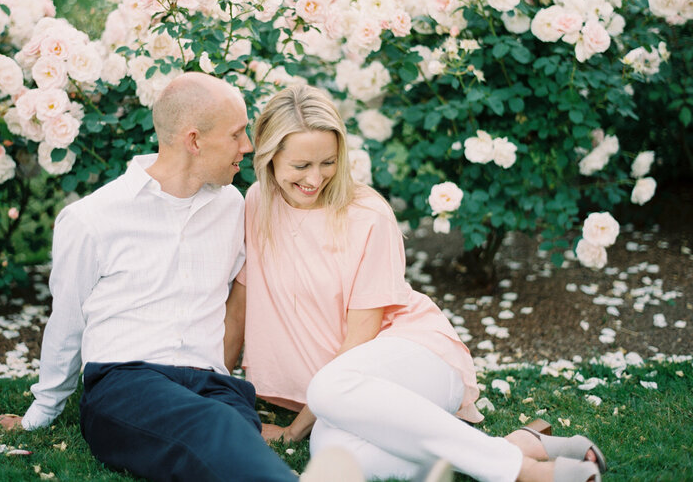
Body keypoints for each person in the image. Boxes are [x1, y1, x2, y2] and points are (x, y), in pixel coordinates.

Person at [236, 83, 606, 482]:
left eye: (328, 162)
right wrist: (212, 392)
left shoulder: (367, 214)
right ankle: (515, 447)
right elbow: (239, 305)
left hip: (413, 357)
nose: (316, 177)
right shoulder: (258, 203)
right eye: (300, 165)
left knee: (327, 391)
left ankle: (521, 470)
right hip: (346, 394)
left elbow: (360, 337)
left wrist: (292, 431)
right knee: (334, 452)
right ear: (269, 157)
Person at [0, 72, 339, 482]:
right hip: (126, 382)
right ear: (194, 141)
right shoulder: (92, 218)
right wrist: (41, 412)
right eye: (236, 134)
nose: (247, 146)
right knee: (216, 427)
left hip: (214, 386)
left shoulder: (232, 206)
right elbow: (67, 321)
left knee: (227, 425)